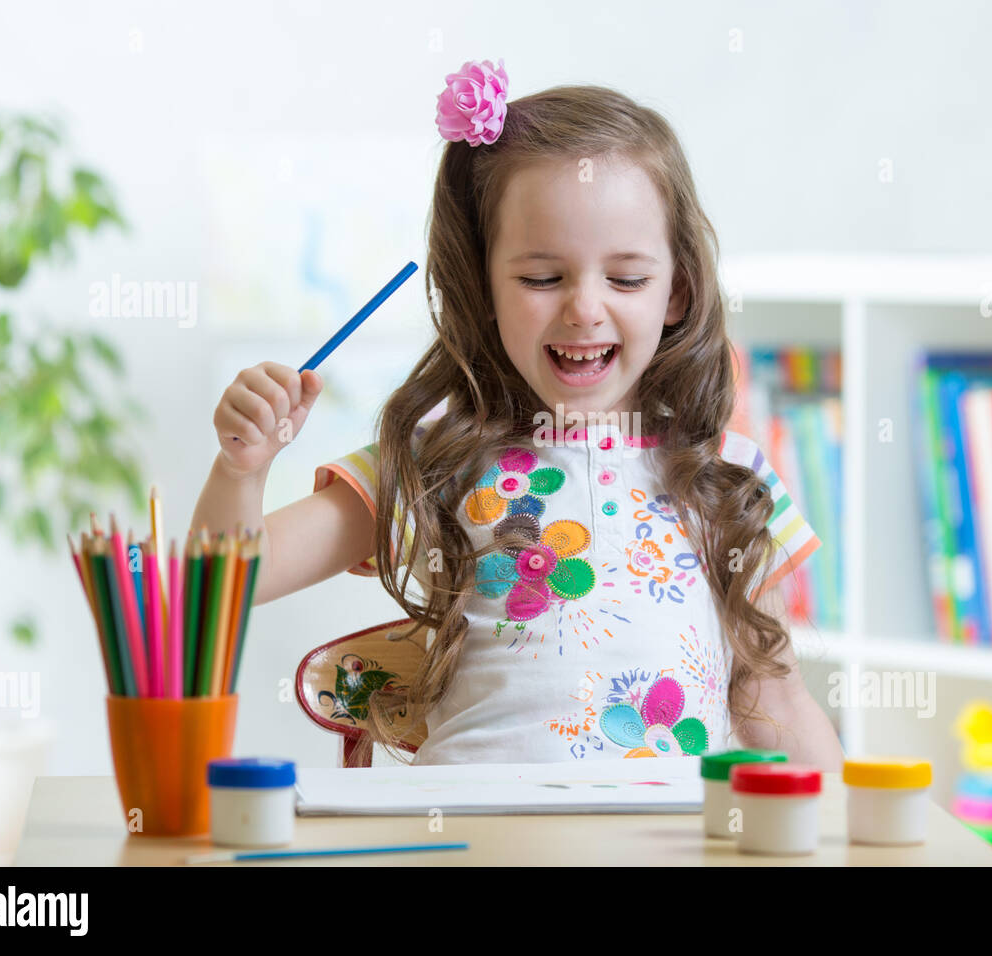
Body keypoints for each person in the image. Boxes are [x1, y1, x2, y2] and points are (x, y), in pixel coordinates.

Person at [192, 59, 843, 770]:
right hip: (476, 838)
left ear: (678, 293)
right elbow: (216, 585)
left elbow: (776, 702)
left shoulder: (727, 474)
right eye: (542, 277)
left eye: (626, 277)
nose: (585, 308)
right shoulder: (434, 463)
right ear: (485, 286)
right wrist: (241, 470)